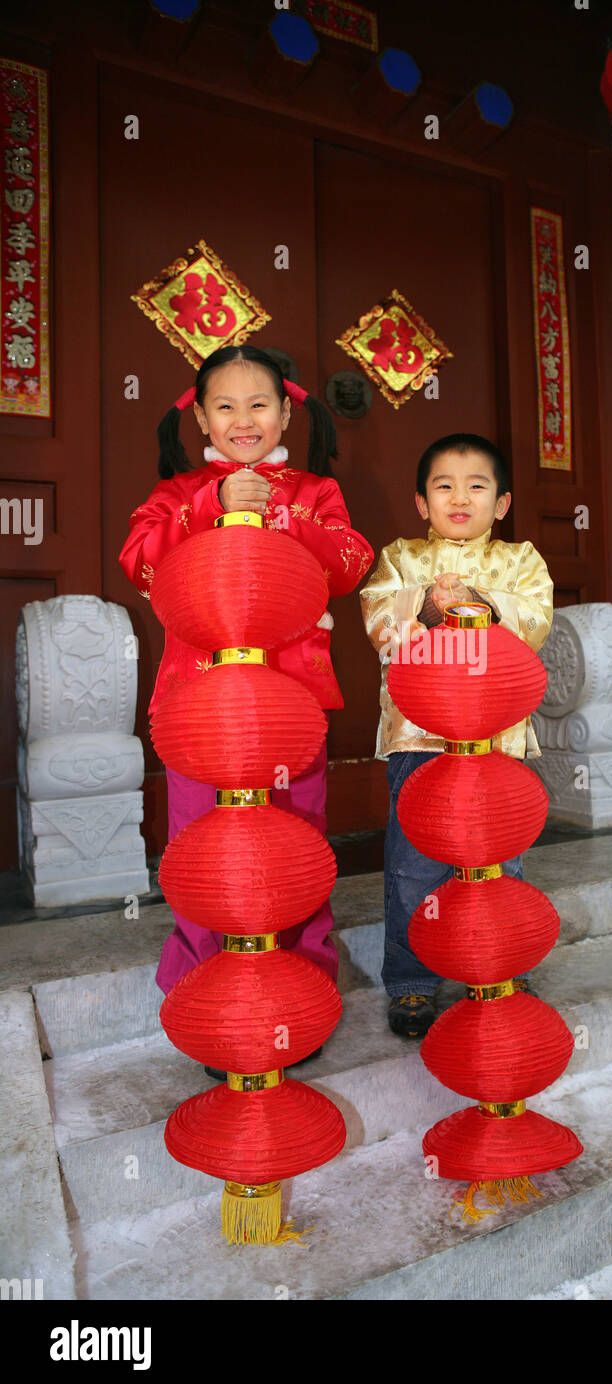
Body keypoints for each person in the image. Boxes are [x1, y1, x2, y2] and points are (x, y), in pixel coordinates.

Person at [119, 344, 374, 1064]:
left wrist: (286, 519)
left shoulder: (314, 492)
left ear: (286, 411)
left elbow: (351, 562)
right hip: (201, 711)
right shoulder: (178, 493)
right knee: (206, 852)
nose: (242, 419)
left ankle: (300, 997)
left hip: (288, 713)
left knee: (296, 849)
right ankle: (210, 999)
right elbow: (138, 561)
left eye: (258, 404)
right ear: (200, 415)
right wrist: (211, 506)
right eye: (224, 406)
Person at [359, 432, 553, 1039]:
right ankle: (412, 981)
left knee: (497, 862)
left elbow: (536, 624)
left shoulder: (520, 561)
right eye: (444, 486)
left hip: (498, 743)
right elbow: (379, 625)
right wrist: (422, 604)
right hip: (419, 741)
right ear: (422, 502)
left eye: (477, 486)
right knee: (414, 867)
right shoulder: (401, 559)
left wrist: (480, 601)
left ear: (502, 504)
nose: (460, 497)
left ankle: (496, 962)